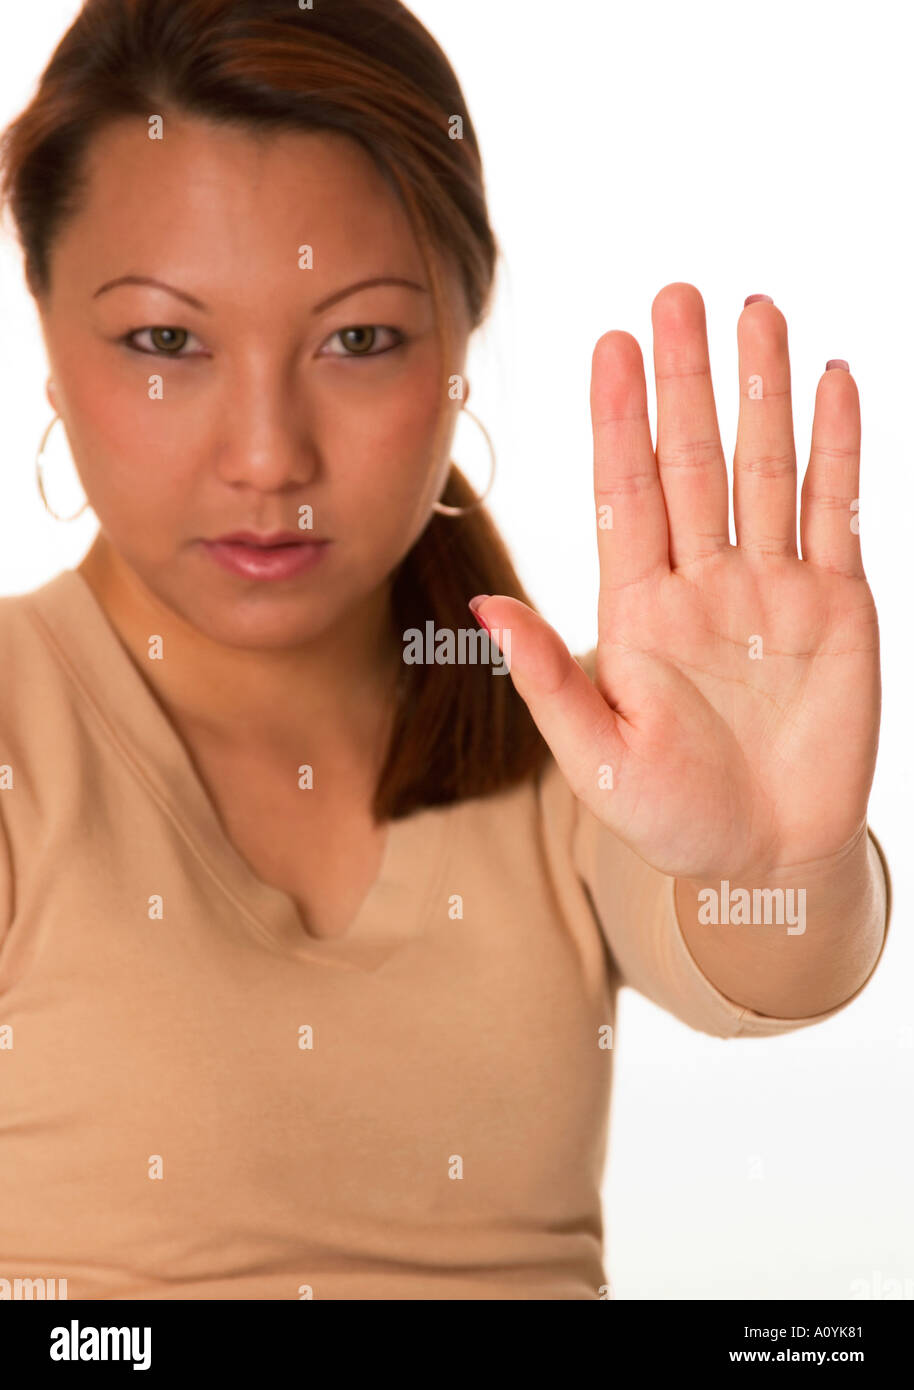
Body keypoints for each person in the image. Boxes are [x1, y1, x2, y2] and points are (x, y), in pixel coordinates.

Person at [0, 0, 890, 1301]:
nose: (268, 456)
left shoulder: (577, 741)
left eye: (358, 339)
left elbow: (767, 962)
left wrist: (782, 857)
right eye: (164, 342)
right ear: (47, 330)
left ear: (464, 333)